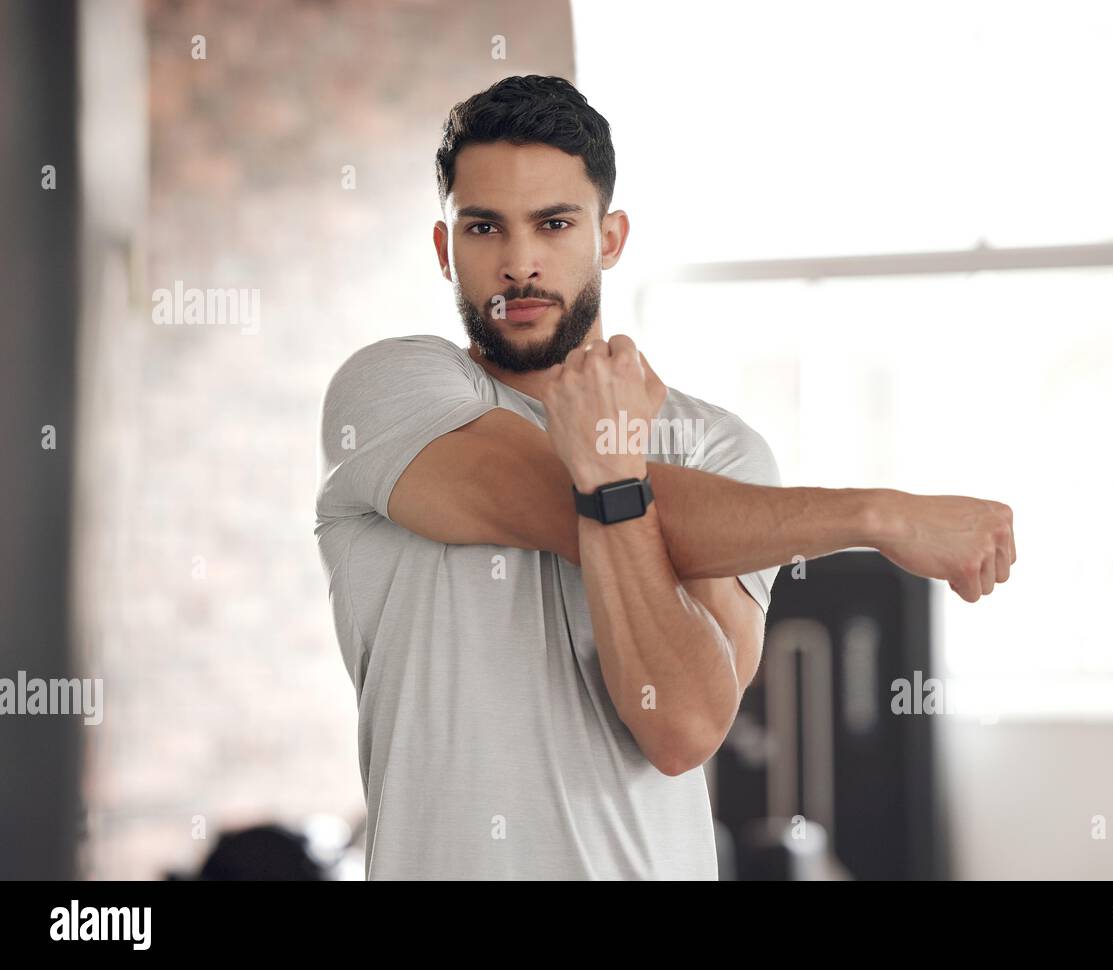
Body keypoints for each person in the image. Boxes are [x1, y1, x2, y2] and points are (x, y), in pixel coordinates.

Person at [314, 75, 1015, 879]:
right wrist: (878, 517)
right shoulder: (387, 392)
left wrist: (615, 480)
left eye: (554, 223)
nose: (519, 263)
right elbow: (539, 495)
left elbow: (680, 730)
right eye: (483, 228)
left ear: (609, 239)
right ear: (445, 250)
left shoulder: (719, 449)